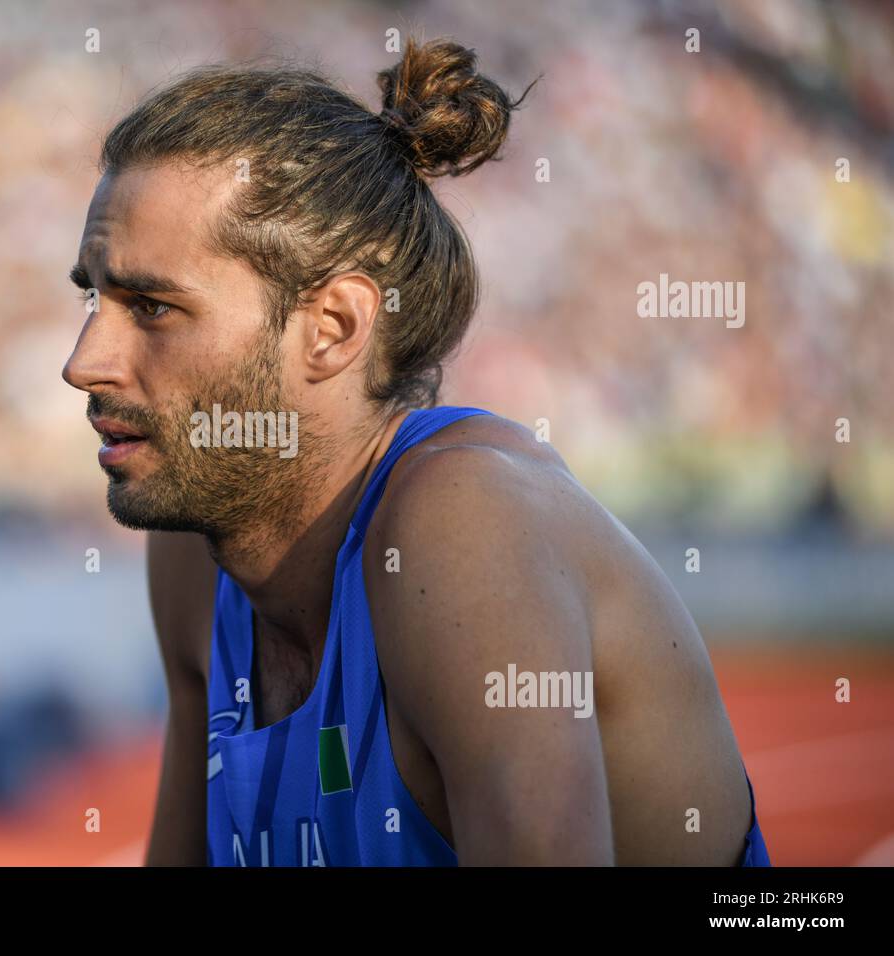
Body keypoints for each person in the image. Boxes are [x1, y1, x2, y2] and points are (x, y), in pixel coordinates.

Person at [62, 36, 770, 866]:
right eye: (92, 296)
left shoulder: (465, 526)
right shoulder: (192, 550)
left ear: (332, 329)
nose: (82, 362)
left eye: (150, 306)